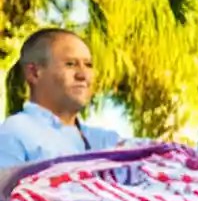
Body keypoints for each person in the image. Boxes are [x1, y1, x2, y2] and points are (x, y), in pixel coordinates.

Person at [0, 28, 121, 170]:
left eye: (88, 65)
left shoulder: (104, 141)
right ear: (34, 73)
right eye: (70, 64)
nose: (83, 75)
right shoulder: (15, 132)